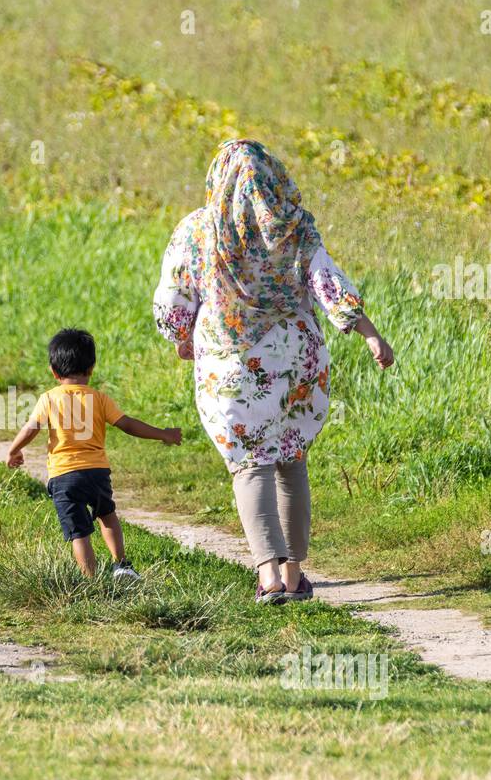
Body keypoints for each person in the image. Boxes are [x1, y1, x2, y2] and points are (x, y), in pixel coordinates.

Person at [153, 139, 394, 604]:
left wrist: (182, 337)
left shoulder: (198, 231)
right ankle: (295, 574)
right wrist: (369, 333)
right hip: (297, 362)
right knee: (291, 458)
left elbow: (174, 298)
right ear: (274, 176)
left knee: (250, 465)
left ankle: (267, 577)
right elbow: (327, 281)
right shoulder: (294, 228)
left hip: (232, 366)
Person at [8, 328, 182, 579]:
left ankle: (91, 581)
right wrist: (163, 434)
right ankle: (121, 564)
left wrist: (14, 450)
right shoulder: (99, 398)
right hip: (97, 472)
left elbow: (31, 428)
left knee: (79, 532)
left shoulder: (48, 398)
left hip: (64, 476)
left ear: (54, 372)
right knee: (107, 515)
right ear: (91, 368)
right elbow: (128, 424)